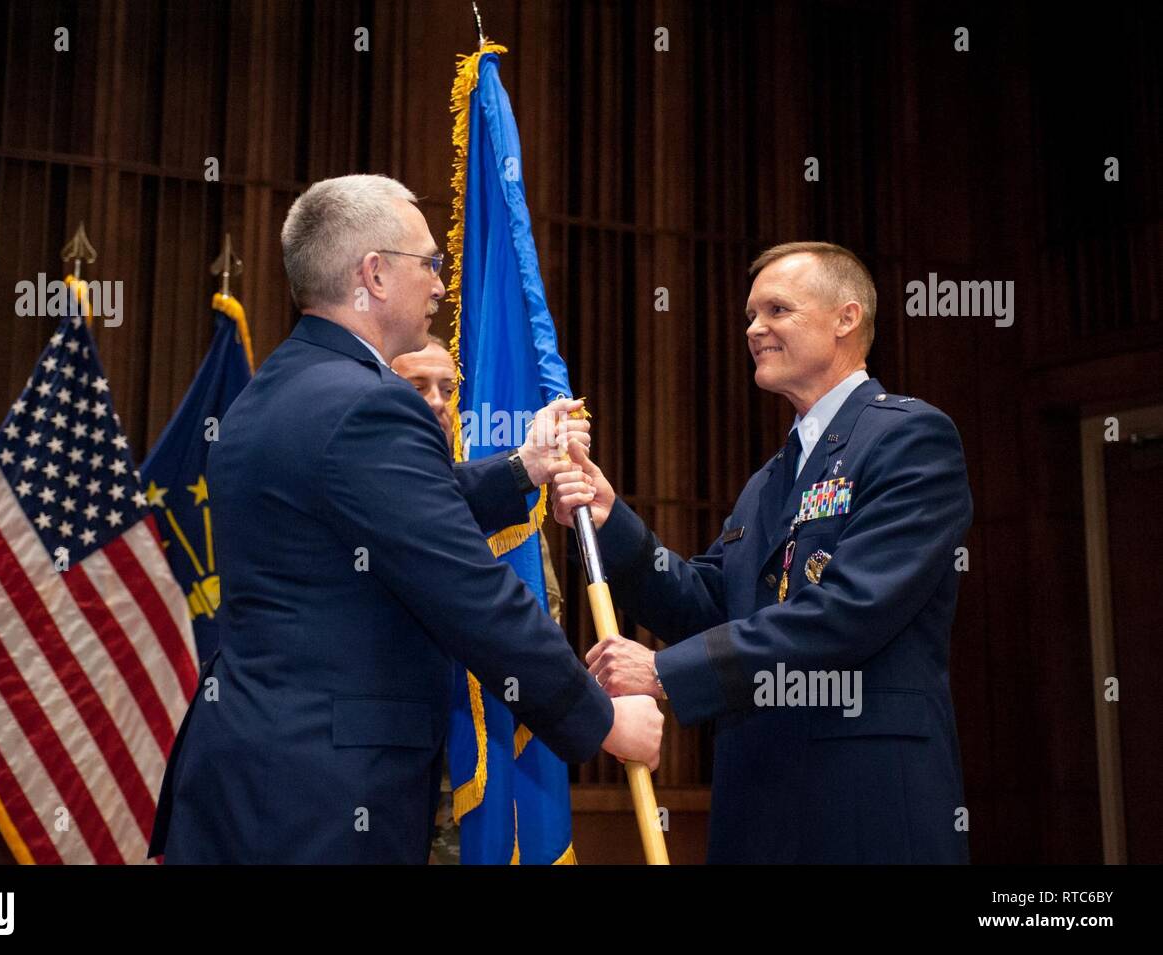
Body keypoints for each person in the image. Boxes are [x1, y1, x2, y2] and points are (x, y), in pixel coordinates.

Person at [148, 174, 662, 864]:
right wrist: (603, 719)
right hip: (325, 798)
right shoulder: (368, 405)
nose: (443, 287)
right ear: (375, 274)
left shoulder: (276, 388)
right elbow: (470, 593)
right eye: (431, 264)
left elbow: (397, 510)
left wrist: (522, 470)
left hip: (252, 772)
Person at [552, 242, 972, 863]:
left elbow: (850, 611)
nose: (754, 329)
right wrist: (613, 520)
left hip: (864, 797)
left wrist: (665, 673)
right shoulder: (774, 476)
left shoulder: (910, 438)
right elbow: (710, 603)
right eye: (751, 315)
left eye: (777, 310)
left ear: (846, 318)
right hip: (761, 804)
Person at [391, 336, 568, 864]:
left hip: (484, 751)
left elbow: (542, 617)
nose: (438, 403)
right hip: (389, 760)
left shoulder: (507, 511)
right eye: (416, 387)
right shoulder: (365, 490)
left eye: (447, 389)